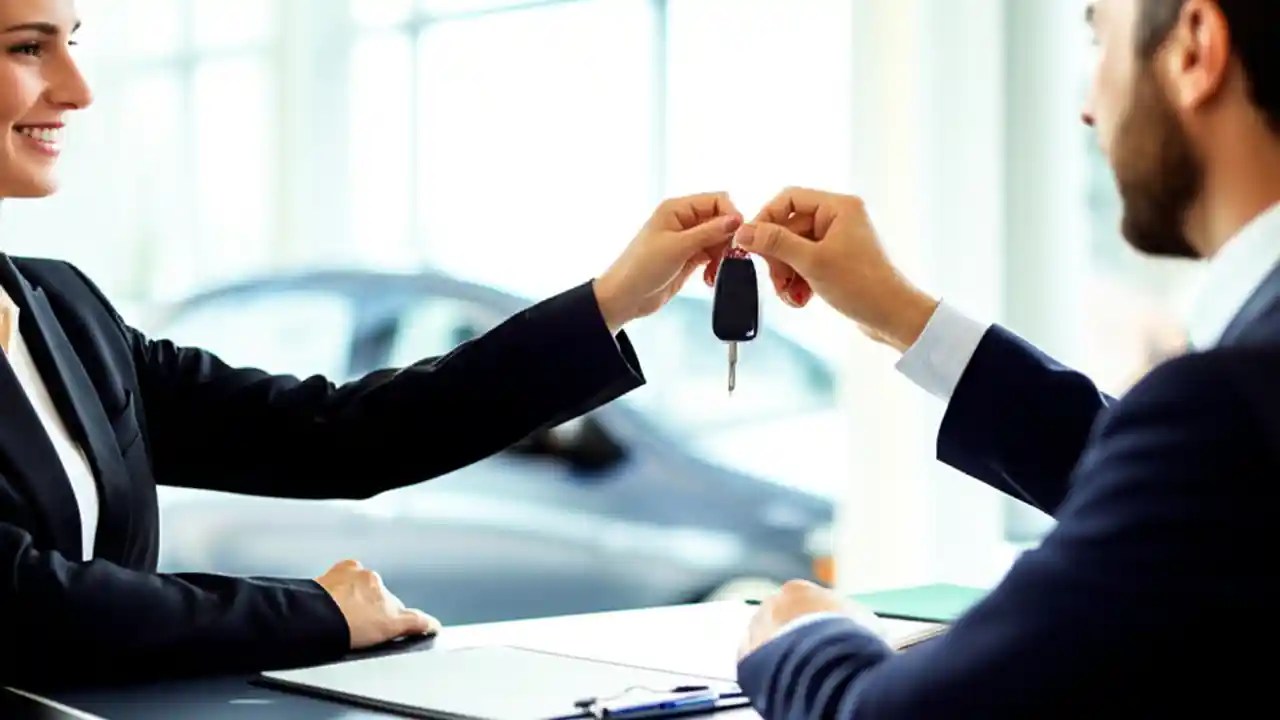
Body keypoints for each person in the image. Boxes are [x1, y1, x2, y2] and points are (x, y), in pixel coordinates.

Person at [0, 0, 744, 685]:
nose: (78, 90)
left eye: (71, 44)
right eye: (29, 48)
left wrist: (611, 303)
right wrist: (315, 612)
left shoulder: (62, 308)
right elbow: (22, 602)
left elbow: (338, 434)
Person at [728, 0, 1280, 717]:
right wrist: (905, 317)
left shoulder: (1227, 405)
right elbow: (1179, 488)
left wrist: (803, 639)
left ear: (1194, 50)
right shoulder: (1233, 415)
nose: (1088, 108)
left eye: (1100, 42)